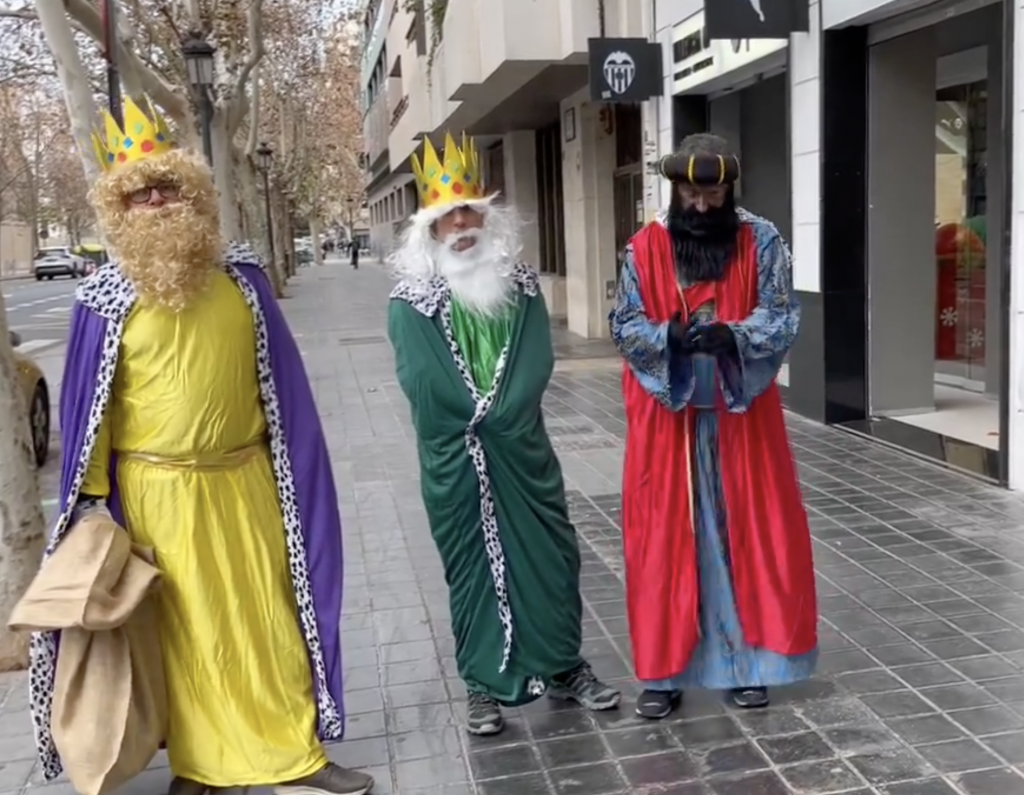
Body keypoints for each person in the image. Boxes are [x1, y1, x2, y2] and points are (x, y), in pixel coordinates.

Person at [30, 97, 368, 795]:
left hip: (244, 482)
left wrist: (291, 477)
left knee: (268, 618)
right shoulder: (101, 299)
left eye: (168, 186)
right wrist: (93, 503)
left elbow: (284, 389)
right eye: (139, 192)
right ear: (119, 207)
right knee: (183, 635)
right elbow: (92, 407)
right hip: (156, 497)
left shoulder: (242, 280)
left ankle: (295, 752)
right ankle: (199, 765)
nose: (156, 201)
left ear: (193, 193)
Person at [386, 133, 621, 736]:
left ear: (486, 218)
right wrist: (475, 419)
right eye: (448, 216)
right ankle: (483, 686)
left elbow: (534, 362)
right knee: (471, 571)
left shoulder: (519, 286)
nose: (462, 224)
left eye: (471, 212)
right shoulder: (410, 301)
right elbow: (423, 381)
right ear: (430, 228)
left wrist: (502, 416)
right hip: (455, 459)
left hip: (522, 450)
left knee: (551, 557)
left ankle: (565, 667)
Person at [609, 133, 819, 720]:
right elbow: (623, 324)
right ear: (674, 189)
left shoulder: (763, 240)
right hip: (666, 425)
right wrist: (666, 338)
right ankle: (662, 673)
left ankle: (748, 666)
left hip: (740, 419)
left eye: (713, 193)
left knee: (745, 542)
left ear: (730, 190)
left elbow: (782, 314)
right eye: (690, 193)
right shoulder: (643, 247)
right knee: (663, 548)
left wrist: (736, 336)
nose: (701, 206)